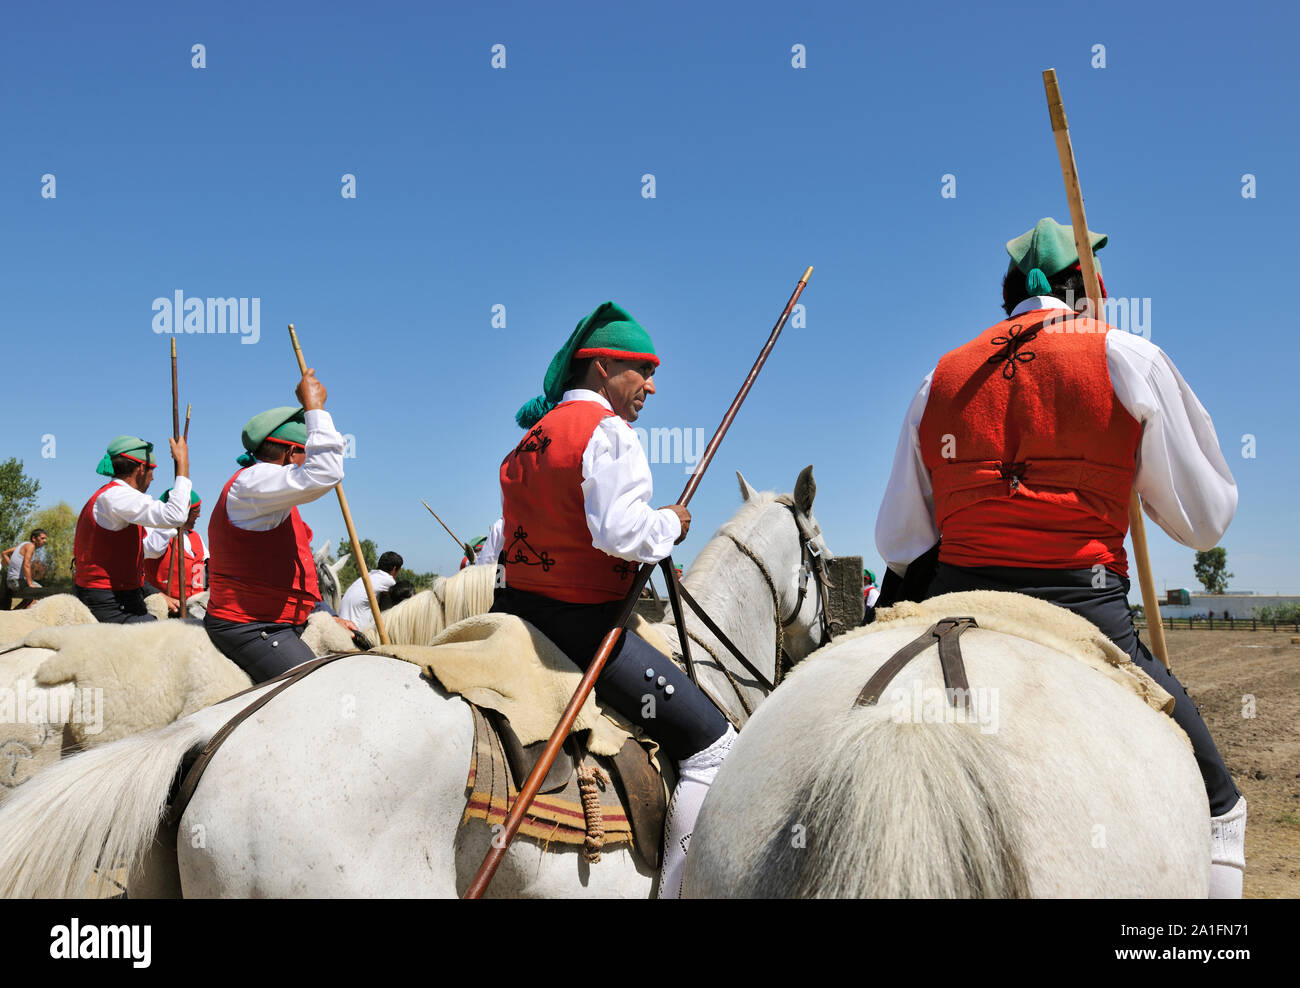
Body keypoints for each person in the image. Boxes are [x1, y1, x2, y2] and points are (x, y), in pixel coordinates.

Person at [875, 217, 1245, 896]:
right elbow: (1206, 520)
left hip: (957, 601)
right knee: (1222, 806)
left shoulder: (939, 378)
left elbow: (901, 540)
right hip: (1086, 604)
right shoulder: (1128, 356)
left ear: (1010, 293)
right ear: (1088, 289)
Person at [490, 301, 733, 898]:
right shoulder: (608, 432)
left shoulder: (529, 440)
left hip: (522, 617)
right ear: (600, 367)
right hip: (587, 629)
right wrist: (670, 523)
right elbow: (620, 535)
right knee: (715, 749)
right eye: (641, 370)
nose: (651, 386)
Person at [204, 370, 354, 683]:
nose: (308, 459)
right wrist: (315, 407)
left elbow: (298, 576)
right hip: (250, 624)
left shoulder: (276, 500)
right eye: (305, 452)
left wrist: (325, 613)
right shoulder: (252, 481)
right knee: (321, 691)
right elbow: (325, 472)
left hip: (285, 618)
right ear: (289, 453)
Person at [73, 435, 192, 623]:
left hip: (122, 596)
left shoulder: (112, 496)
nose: (153, 477)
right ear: (141, 469)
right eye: (152, 470)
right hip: (110, 602)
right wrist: (183, 464)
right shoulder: (117, 496)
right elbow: (176, 516)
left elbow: (145, 551)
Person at [142, 489, 207, 616]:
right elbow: (154, 550)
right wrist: (172, 520)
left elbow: (202, 567)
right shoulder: (154, 531)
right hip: (167, 608)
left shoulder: (196, 537)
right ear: (184, 512)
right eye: (196, 511)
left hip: (194, 607)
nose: (199, 515)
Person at [338, 550, 403, 625]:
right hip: (355, 628)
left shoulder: (370, 575)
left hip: (342, 622)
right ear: (394, 569)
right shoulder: (388, 580)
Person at [3, 529, 48, 610]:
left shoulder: (22, 545)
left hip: (10, 581)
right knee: (41, 593)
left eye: (45, 539)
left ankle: (14, 613)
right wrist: (30, 583)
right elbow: (26, 565)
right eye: (42, 538)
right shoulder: (31, 546)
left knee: (30, 598)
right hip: (17, 582)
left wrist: (12, 567)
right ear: (34, 538)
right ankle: (21, 615)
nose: (45, 541)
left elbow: (4, 553)